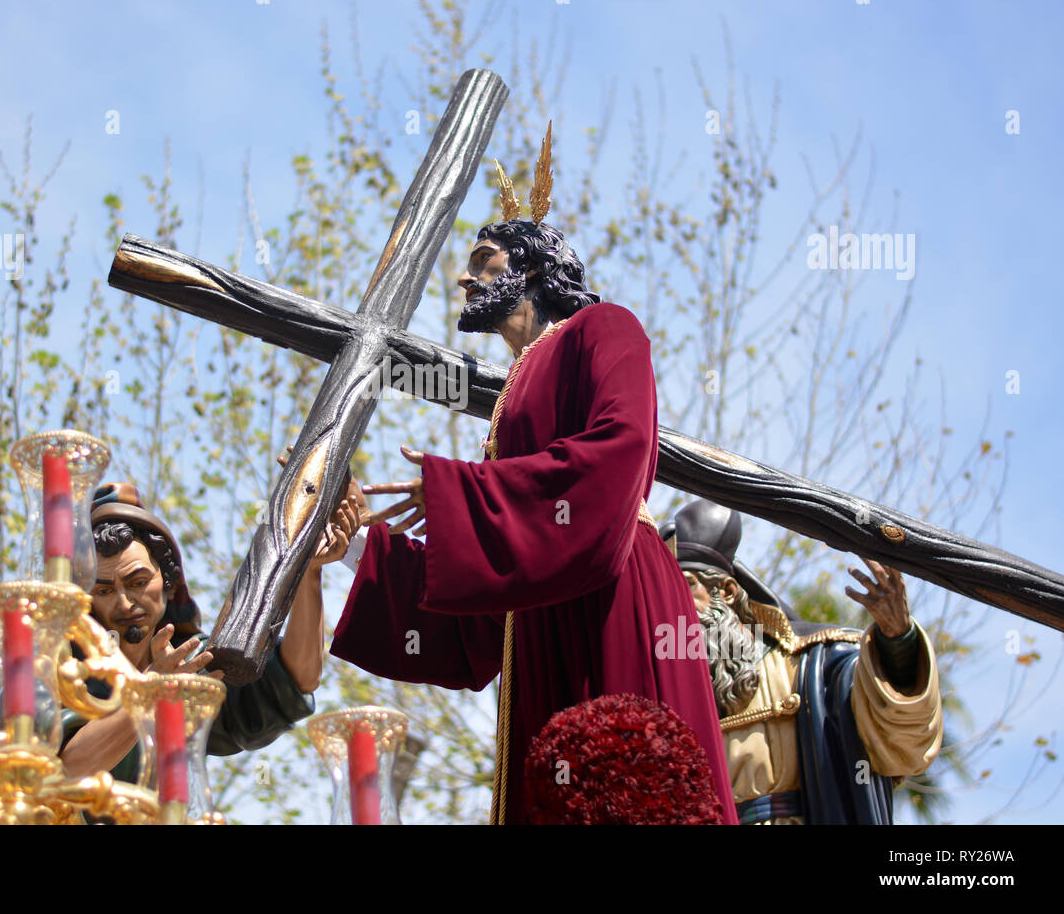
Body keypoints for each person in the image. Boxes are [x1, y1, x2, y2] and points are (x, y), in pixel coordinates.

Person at [328, 135, 738, 824]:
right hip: (539, 620)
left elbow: (619, 448)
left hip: (615, 598)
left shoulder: (603, 329)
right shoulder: (510, 393)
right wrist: (349, 540)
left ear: (537, 266)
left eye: (483, 262)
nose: (466, 280)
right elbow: (478, 622)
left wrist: (466, 496)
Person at [60, 480, 362, 782]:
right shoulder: (65, 673)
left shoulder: (191, 663)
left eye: (138, 582)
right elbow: (68, 770)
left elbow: (296, 678)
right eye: (103, 590)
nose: (124, 603)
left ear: (168, 580)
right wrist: (151, 691)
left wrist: (307, 570)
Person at [663, 498, 943, 824]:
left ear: (725, 591)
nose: (675, 608)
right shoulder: (673, 691)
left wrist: (898, 642)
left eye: (686, 587)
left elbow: (902, 741)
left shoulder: (810, 665)